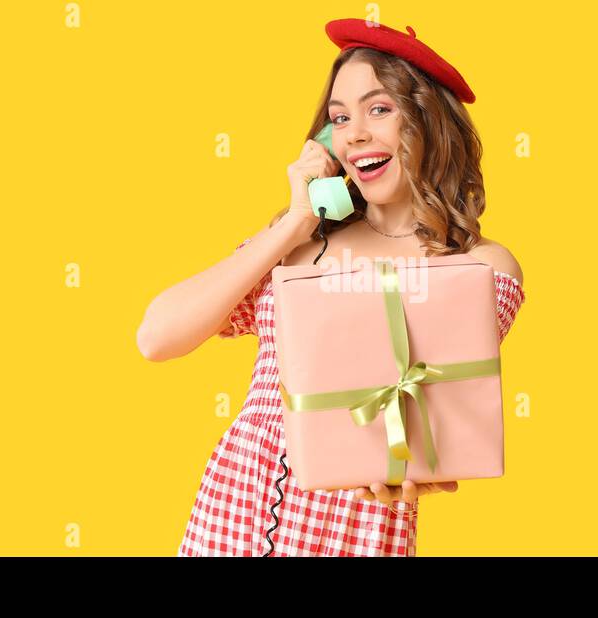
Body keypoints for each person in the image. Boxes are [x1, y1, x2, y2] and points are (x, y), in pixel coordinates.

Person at [137, 20, 526, 556]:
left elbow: (438, 410)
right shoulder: (298, 246)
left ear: (430, 121)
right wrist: (294, 223)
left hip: (357, 531)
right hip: (230, 521)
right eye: (339, 118)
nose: (355, 133)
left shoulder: (479, 268)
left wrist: (420, 467)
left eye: (379, 109)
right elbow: (157, 337)